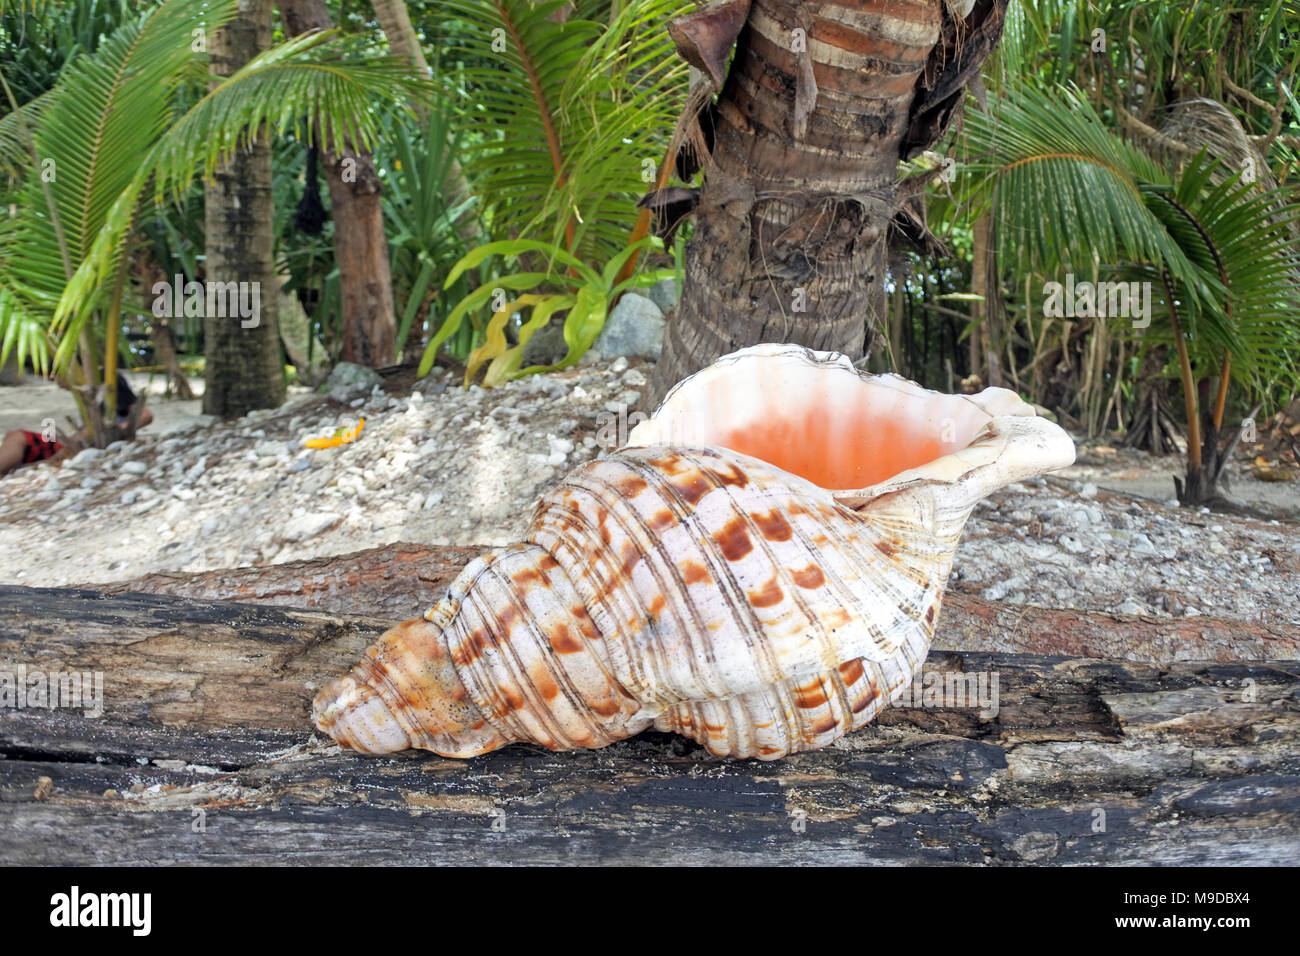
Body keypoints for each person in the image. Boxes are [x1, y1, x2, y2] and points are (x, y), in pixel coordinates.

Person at [0, 373, 153, 477]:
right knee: (13, 436)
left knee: (18, 436)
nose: (55, 381)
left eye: (54, 375)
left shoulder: (108, 379)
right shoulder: (92, 385)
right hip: (76, 443)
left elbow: (146, 416)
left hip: (82, 446)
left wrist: (109, 432)